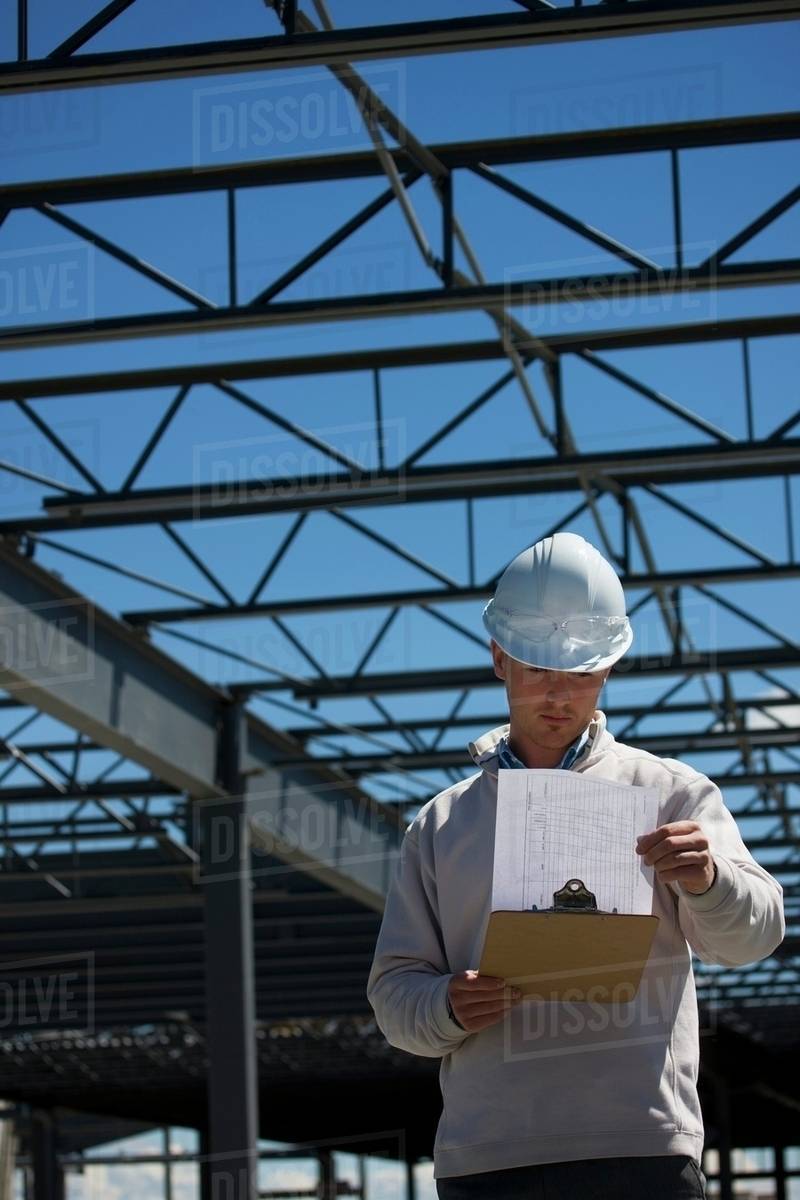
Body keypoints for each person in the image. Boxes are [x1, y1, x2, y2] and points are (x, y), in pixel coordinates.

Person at [366, 532, 785, 1200]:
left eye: (581, 674)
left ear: (610, 668)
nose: (559, 696)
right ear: (499, 658)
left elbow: (754, 937)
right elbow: (393, 997)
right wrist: (447, 1003)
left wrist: (711, 881)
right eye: (538, 670)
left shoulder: (671, 794)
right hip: (488, 1161)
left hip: (641, 1150)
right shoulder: (443, 826)